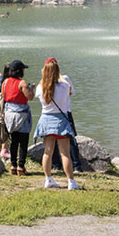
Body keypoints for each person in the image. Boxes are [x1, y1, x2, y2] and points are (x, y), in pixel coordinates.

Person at [33, 58, 81, 190]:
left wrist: (45, 76)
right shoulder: (64, 86)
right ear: (57, 72)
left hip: (46, 120)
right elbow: (70, 90)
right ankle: (71, 182)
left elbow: (40, 87)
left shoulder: (40, 87)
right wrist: (59, 75)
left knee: (47, 152)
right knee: (65, 153)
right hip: (60, 120)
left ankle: (48, 179)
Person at [0, 60, 34, 176]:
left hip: (9, 114)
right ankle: (21, 167)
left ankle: (13, 165)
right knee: (23, 141)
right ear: (20, 70)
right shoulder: (22, 83)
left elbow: (4, 96)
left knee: (14, 140)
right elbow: (30, 97)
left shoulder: (5, 82)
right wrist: (31, 88)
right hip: (22, 114)